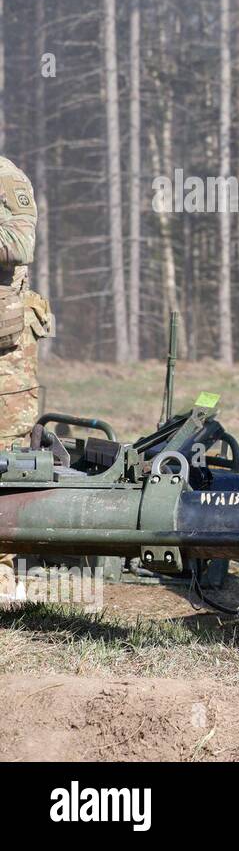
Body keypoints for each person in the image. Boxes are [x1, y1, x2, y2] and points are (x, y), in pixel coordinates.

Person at [0, 156, 54, 593]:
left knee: (7, 453)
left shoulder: (6, 176)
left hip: (5, 350)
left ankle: (3, 568)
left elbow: (21, 244)